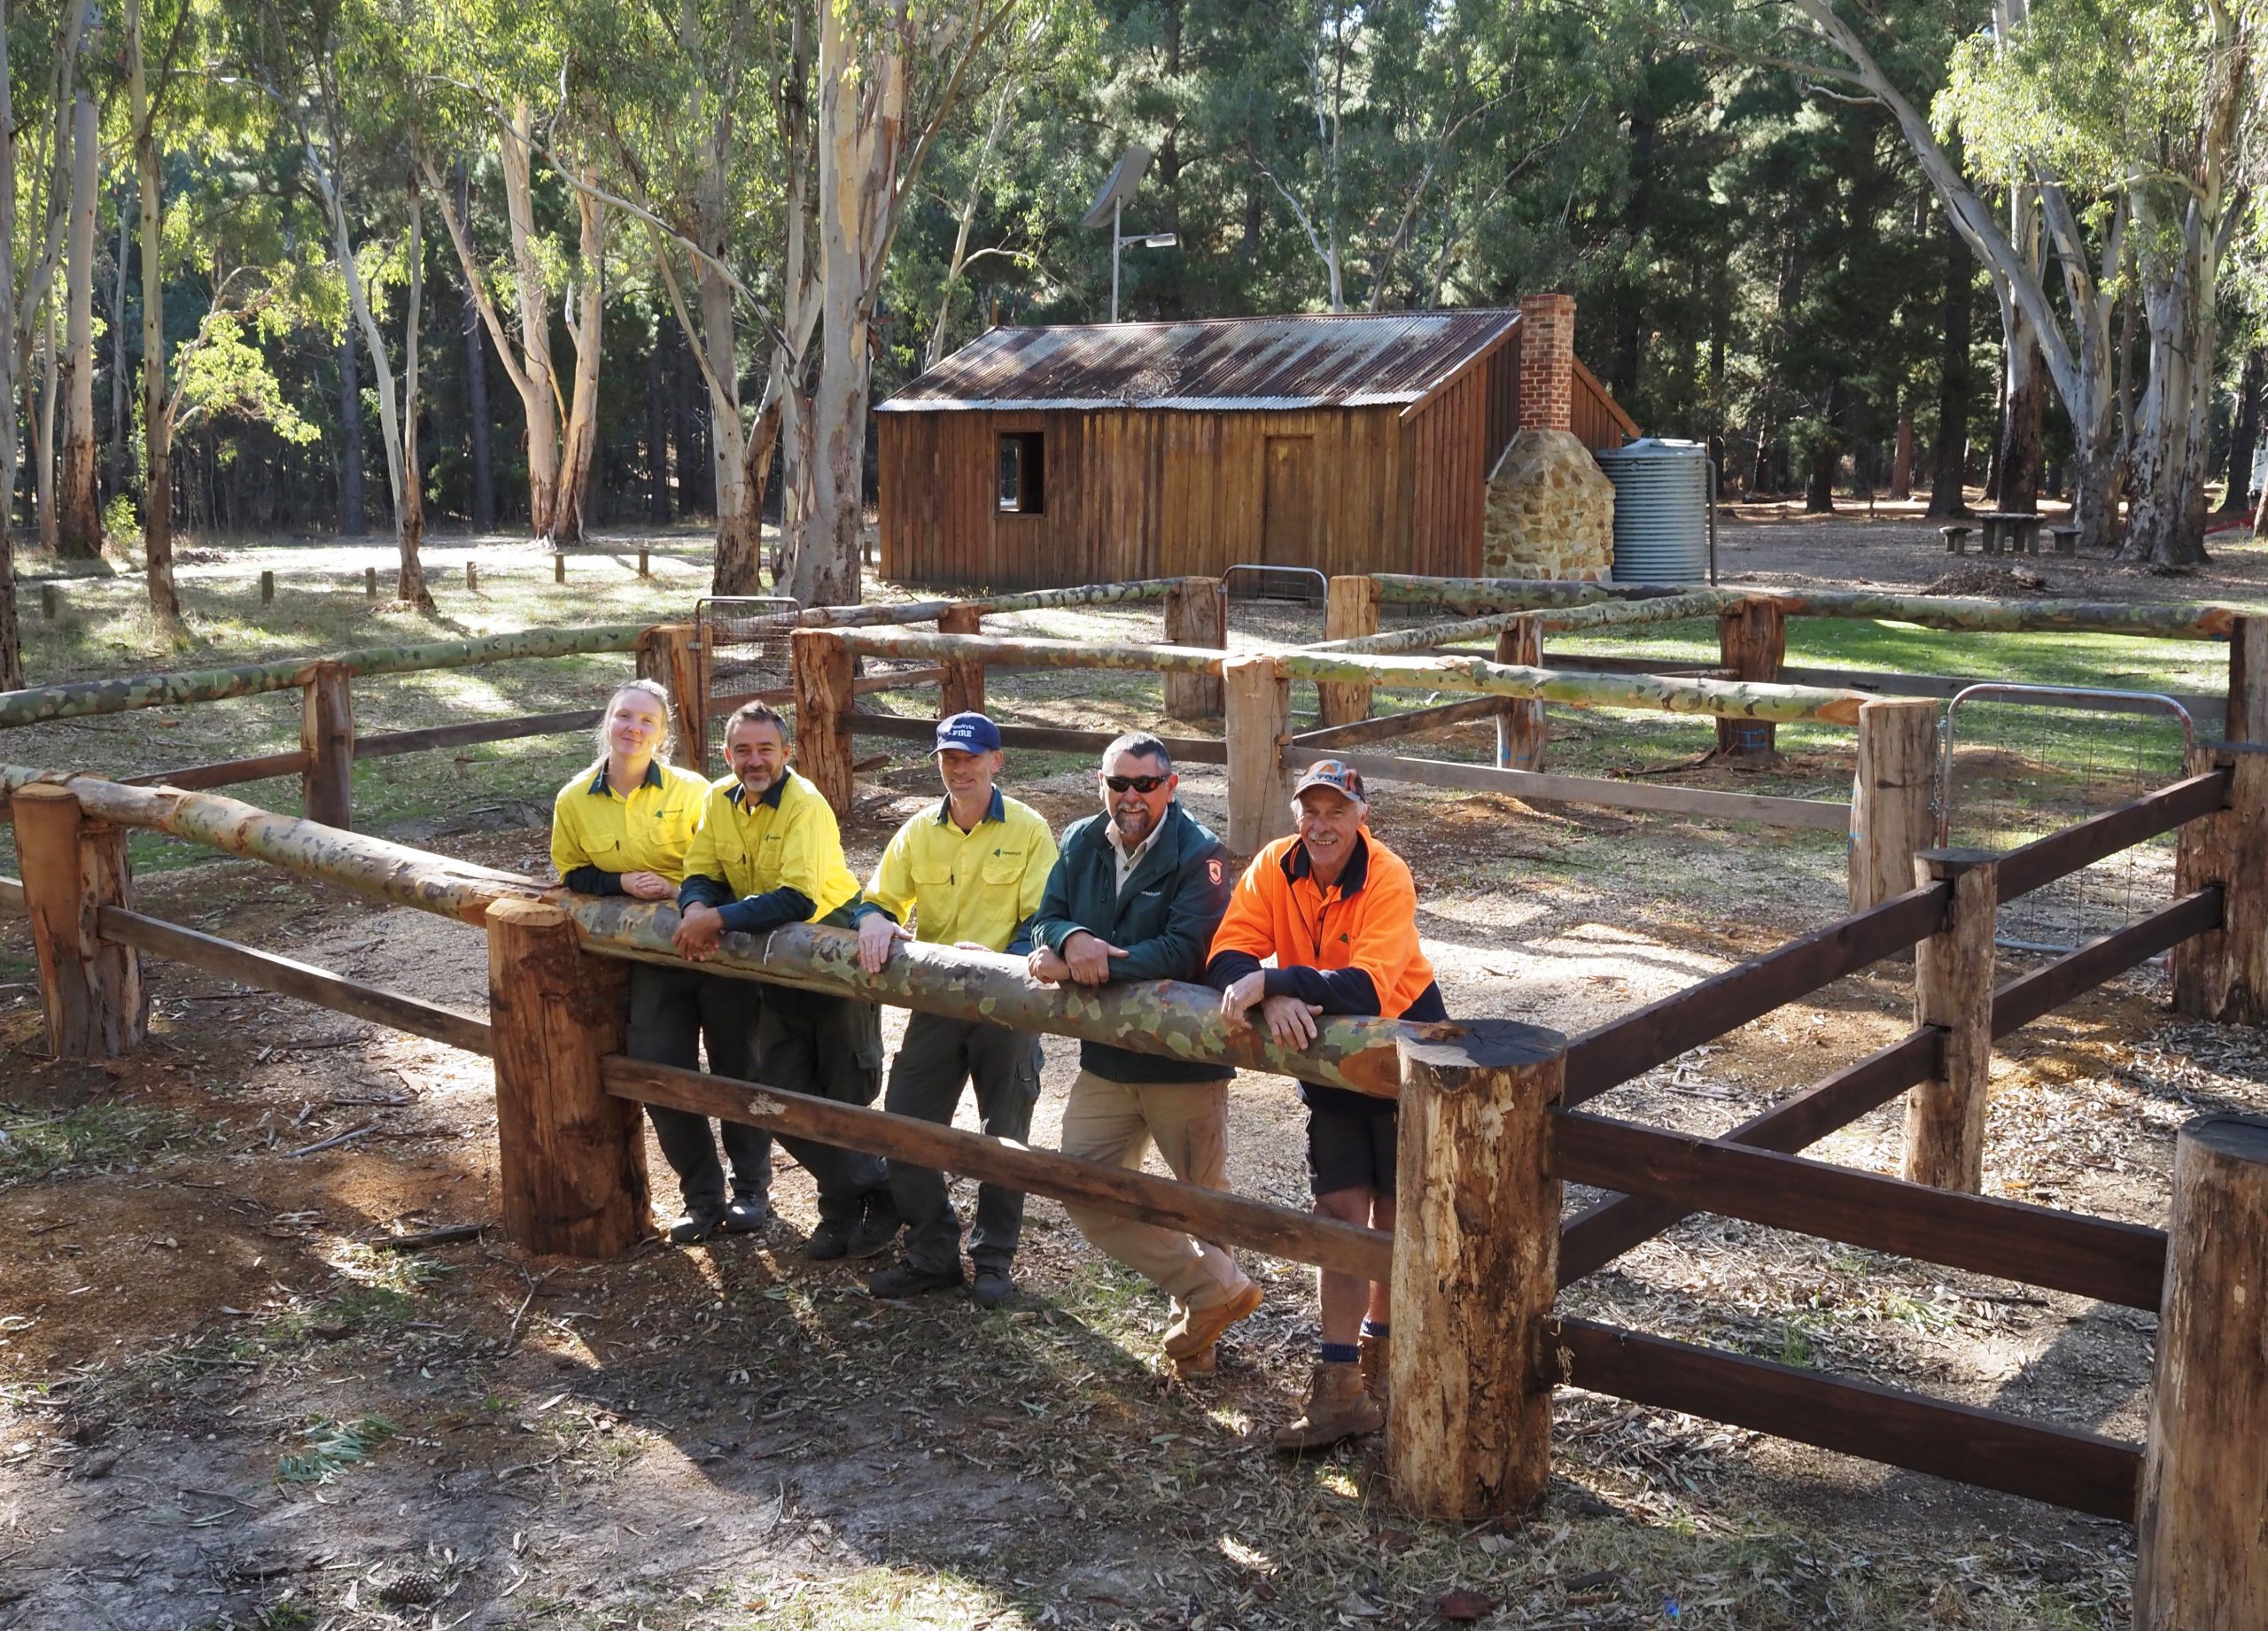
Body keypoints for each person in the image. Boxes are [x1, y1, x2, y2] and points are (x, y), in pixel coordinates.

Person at [1206, 758, 1446, 1450]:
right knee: (1340, 1213)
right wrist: (1270, 991)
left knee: (1397, 1212)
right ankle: (1341, 1385)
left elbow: (1368, 987)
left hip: (1401, 1052)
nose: (1322, 824)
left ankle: (1391, 1361)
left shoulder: (1389, 874)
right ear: (1295, 813)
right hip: (1329, 1060)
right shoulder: (1274, 865)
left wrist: (1273, 978)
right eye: (1311, 809)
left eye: (1337, 810)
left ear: (1361, 816)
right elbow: (1228, 950)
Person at [1026, 733, 1257, 1376]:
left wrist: (1087, 960)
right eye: (1118, 783)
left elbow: (1188, 949)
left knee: (1202, 1201)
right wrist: (1070, 937)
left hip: (1182, 1064)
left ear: (1171, 786)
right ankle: (1212, 1289)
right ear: (1102, 784)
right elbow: (1046, 915)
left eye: (1145, 784)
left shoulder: (1200, 852)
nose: (1130, 797)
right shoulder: (1079, 840)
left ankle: (1202, 1344)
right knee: (1081, 1180)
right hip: (1108, 1060)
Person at [673, 701, 899, 1261]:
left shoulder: (805, 804)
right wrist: (695, 907)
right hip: (775, 963)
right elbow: (700, 869)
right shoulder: (717, 799)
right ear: (727, 755)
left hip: (832, 955)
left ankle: (839, 1214)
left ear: (786, 752)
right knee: (781, 1093)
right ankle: (877, 1184)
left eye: (765, 749)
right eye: (743, 750)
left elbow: (798, 897)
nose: (754, 761)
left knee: (843, 1090)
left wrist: (716, 920)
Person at [854, 712, 1061, 1307]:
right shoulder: (919, 830)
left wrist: (1000, 960)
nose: (959, 769)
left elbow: (1043, 921)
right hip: (937, 999)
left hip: (1010, 1002)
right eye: (949, 758)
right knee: (906, 1123)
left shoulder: (1027, 829)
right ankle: (932, 1250)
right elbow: (878, 897)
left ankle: (994, 1259)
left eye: (971, 758)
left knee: (1006, 1135)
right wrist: (873, 920)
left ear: (997, 761)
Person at [551, 680, 766, 1246]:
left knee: (736, 1064)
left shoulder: (696, 791)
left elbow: (726, 865)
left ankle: (751, 1190)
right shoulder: (575, 798)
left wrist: (683, 892)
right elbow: (571, 872)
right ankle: (702, 1197)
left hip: (718, 951)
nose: (634, 729)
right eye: (625, 717)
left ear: (663, 733)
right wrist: (619, 881)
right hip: (653, 958)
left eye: (648, 722)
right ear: (608, 722)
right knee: (658, 1072)